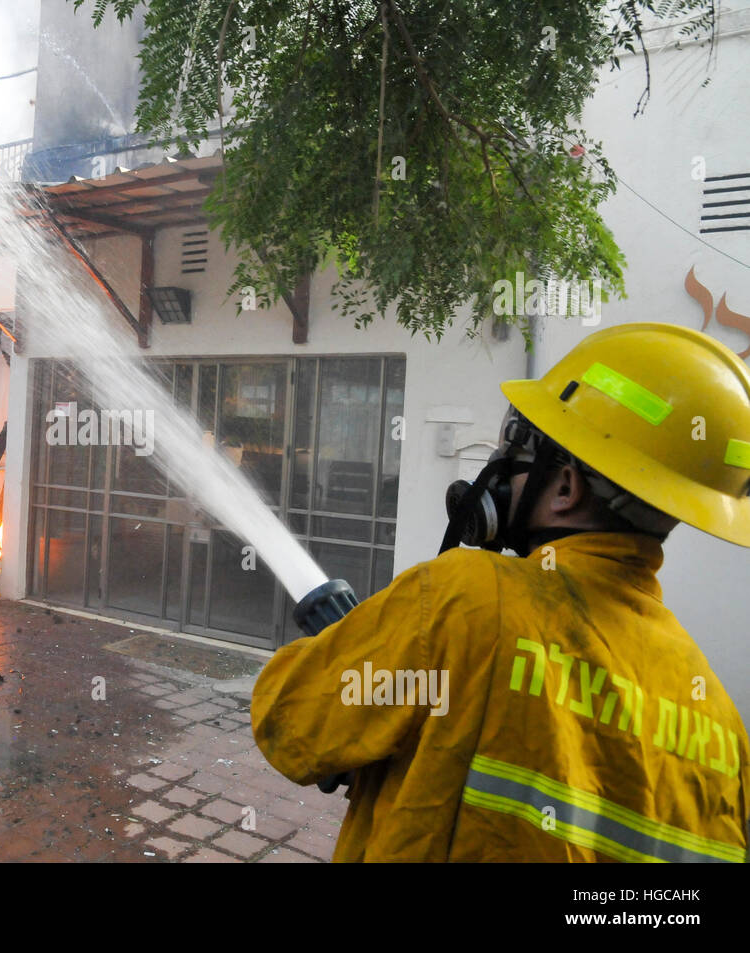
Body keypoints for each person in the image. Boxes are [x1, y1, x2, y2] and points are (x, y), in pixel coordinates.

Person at [252, 323, 750, 861]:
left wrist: (347, 647)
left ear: (565, 487)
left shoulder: (463, 597)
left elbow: (288, 722)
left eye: (516, 452)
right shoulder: (721, 720)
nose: (500, 471)